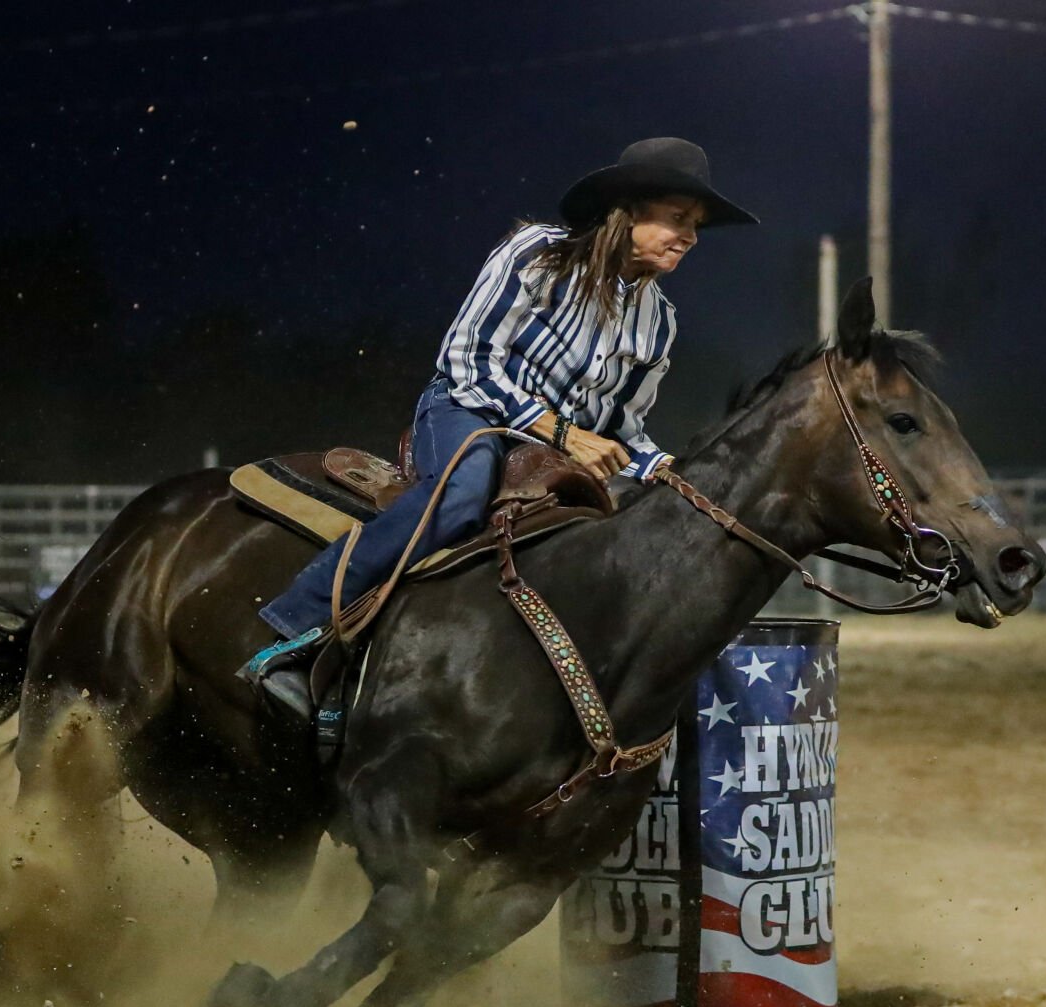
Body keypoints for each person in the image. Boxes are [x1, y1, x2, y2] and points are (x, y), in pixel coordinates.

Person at [243, 136, 758, 716]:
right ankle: (296, 630)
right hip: (469, 411)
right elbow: (468, 360)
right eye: (678, 218)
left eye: (696, 226)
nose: (690, 237)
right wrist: (561, 433)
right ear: (628, 210)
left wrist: (677, 474)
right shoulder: (537, 254)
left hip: (558, 452)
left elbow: (622, 428)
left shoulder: (659, 321)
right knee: (460, 497)